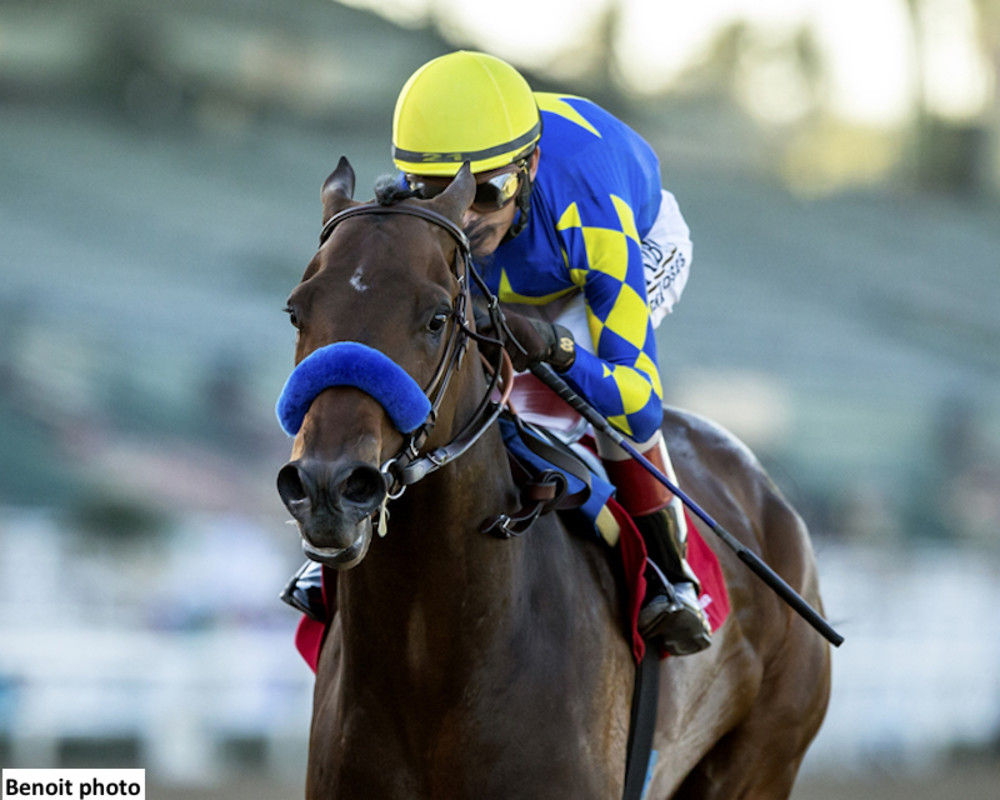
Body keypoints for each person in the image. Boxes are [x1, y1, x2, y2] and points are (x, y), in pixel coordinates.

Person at [389, 51, 711, 656]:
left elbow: (637, 402)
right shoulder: (442, 213)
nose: (465, 217)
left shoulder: (592, 213)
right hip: (521, 274)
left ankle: (672, 576)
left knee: (608, 419)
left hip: (625, 244)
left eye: (488, 191)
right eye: (435, 193)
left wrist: (558, 348)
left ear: (530, 167)